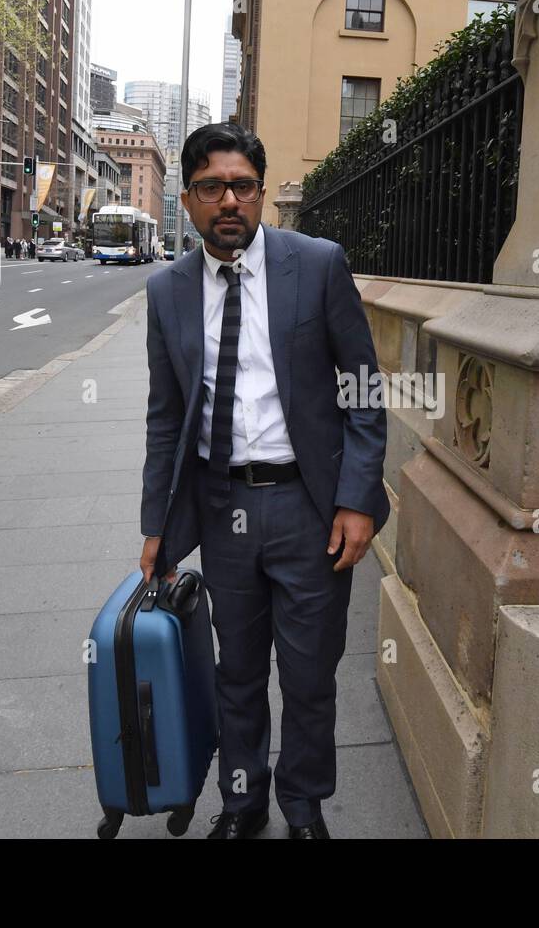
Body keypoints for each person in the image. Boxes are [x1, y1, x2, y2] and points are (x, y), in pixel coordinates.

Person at [140, 123, 388, 840]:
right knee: (238, 673)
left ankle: (304, 806)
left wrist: (357, 500)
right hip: (222, 509)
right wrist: (156, 525)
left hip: (310, 508)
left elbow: (364, 388)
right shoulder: (167, 293)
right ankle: (244, 802)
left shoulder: (316, 265)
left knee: (310, 677)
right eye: (212, 187)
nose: (230, 201)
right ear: (187, 200)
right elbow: (165, 420)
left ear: (260, 194)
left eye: (243, 186)